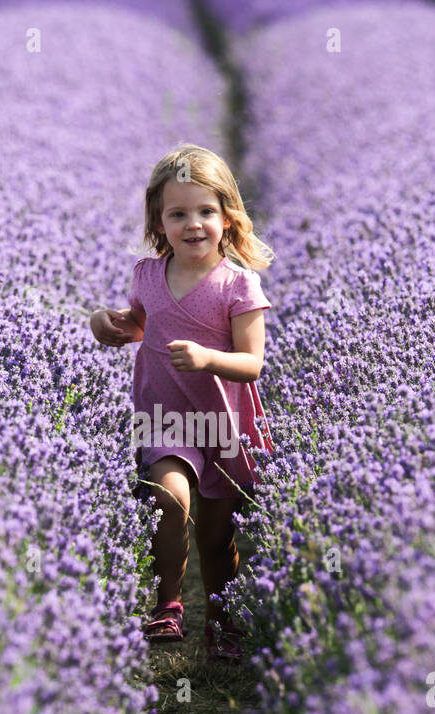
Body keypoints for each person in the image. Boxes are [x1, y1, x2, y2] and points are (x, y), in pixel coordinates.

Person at [88, 143, 276, 664]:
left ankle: (221, 618)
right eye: (178, 214)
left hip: (223, 424)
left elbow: (253, 363)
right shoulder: (148, 274)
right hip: (164, 416)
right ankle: (167, 602)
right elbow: (140, 326)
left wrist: (208, 358)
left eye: (205, 212)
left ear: (227, 218)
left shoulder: (239, 285)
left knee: (218, 540)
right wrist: (105, 324)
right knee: (169, 499)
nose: (193, 224)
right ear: (159, 221)